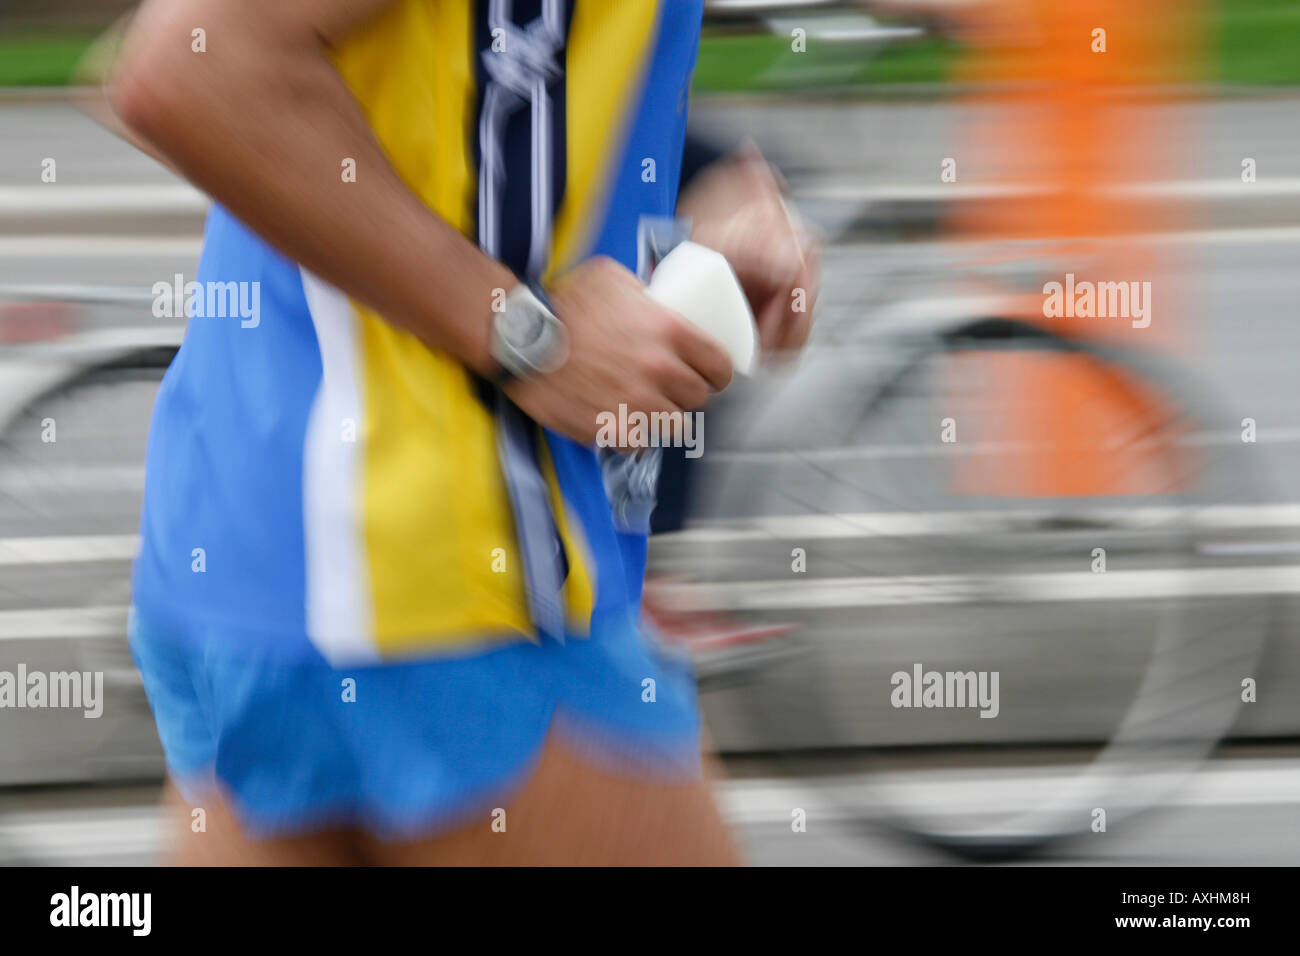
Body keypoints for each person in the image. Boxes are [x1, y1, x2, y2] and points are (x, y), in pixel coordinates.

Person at [103, 0, 818, 865]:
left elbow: (476, 111)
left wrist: (691, 228)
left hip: (250, 552)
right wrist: (529, 338)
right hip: (452, 567)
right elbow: (190, 70)